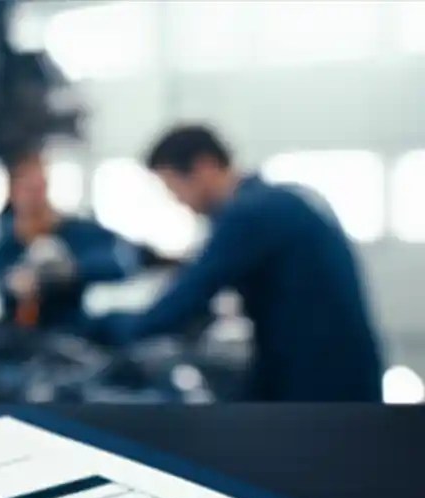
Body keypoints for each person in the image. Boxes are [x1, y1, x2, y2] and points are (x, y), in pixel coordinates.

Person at [87, 125, 382, 401]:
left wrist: (99, 328)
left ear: (204, 167)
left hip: (320, 386)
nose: (179, 201)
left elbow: (186, 299)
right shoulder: (279, 201)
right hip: (339, 376)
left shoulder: (249, 215)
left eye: (175, 187)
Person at [0, 147, 141, 328]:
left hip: (72, 331)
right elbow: (0, 281)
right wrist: (16, 283)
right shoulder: (6, 245)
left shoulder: (77, 232)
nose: (35, 199)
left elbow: (120, 261)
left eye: (40, 188)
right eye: (28, 189)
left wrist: (71, 270)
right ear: (12, 192)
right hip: (22, 334)